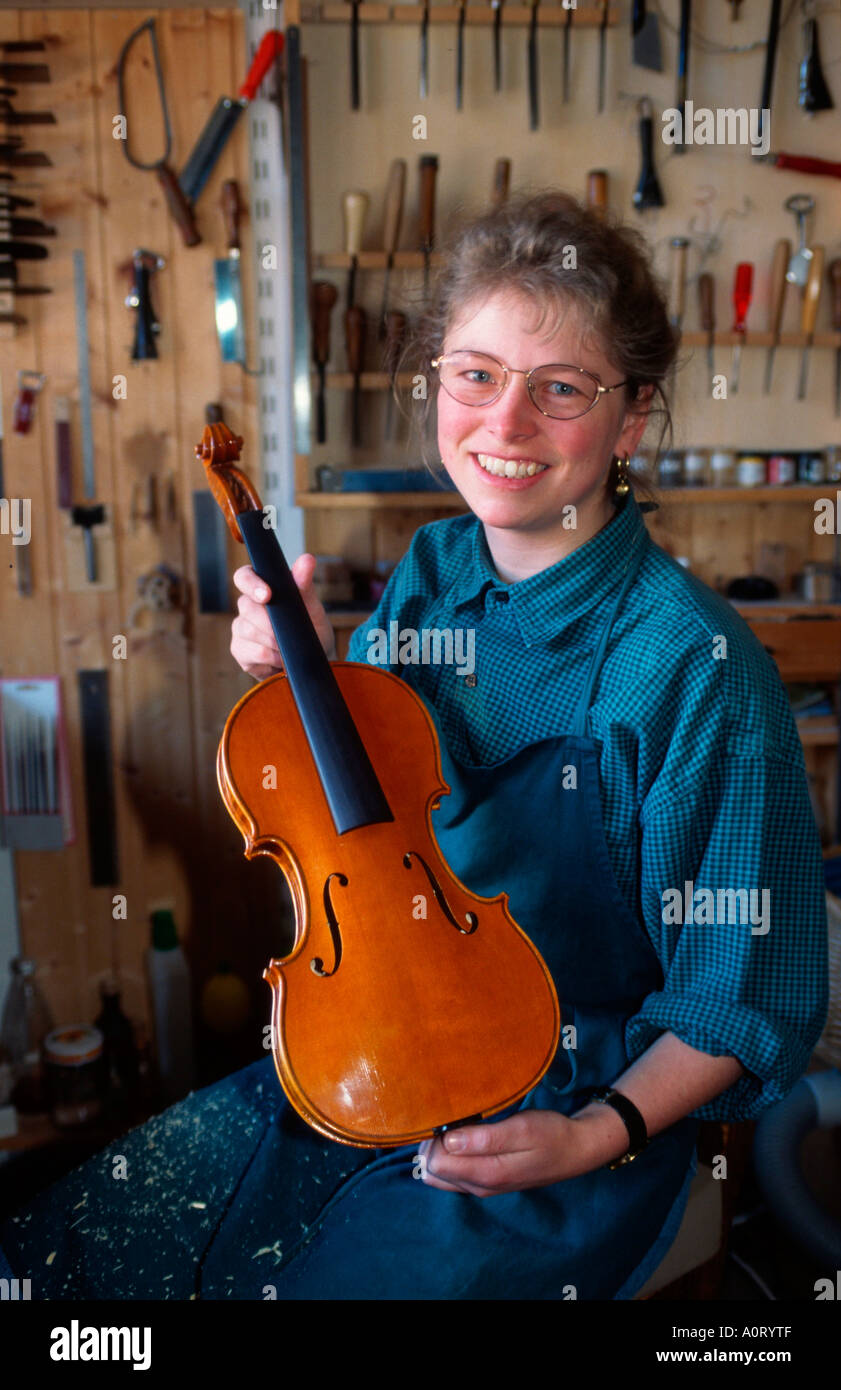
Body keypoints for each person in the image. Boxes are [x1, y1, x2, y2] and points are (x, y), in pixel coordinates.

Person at [0, 194, 828, 1301]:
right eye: (475, 373)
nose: (505, 422)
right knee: (59, 1264)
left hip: (572, 1106)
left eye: (561, 388)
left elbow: (743, 992)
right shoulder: (434, 570)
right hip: (381, 1036)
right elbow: (368, 824)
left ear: (630, 419)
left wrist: (595, 1132)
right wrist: (291, 675)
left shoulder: (694, 669)